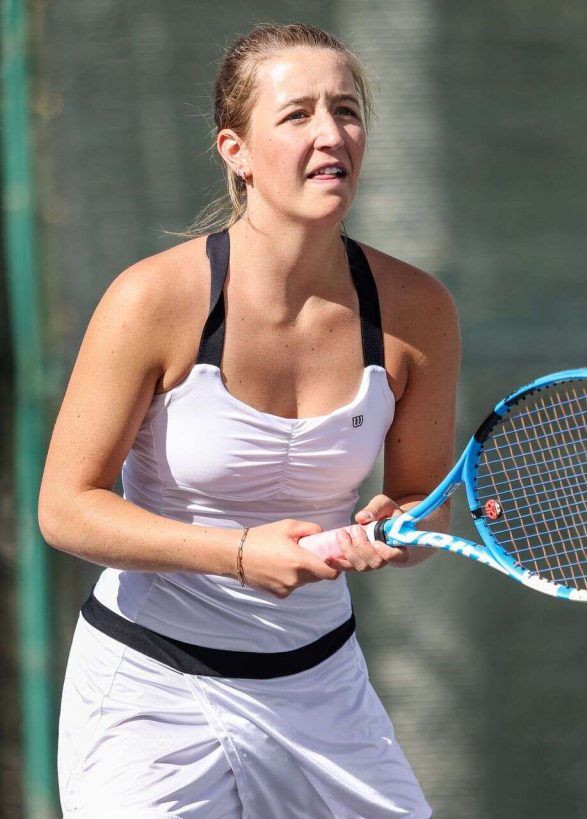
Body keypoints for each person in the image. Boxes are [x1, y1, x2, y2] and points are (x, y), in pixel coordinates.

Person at [38, 22, 458, 818]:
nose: (331, 133)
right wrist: (236, 553)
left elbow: (419, 500)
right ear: (236, 150)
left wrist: (399, 529)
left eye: (347, 110)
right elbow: (65, 506)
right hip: (147, 692)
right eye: (297, 114)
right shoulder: (153, 299)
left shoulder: (418, 311)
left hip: (322, 691)